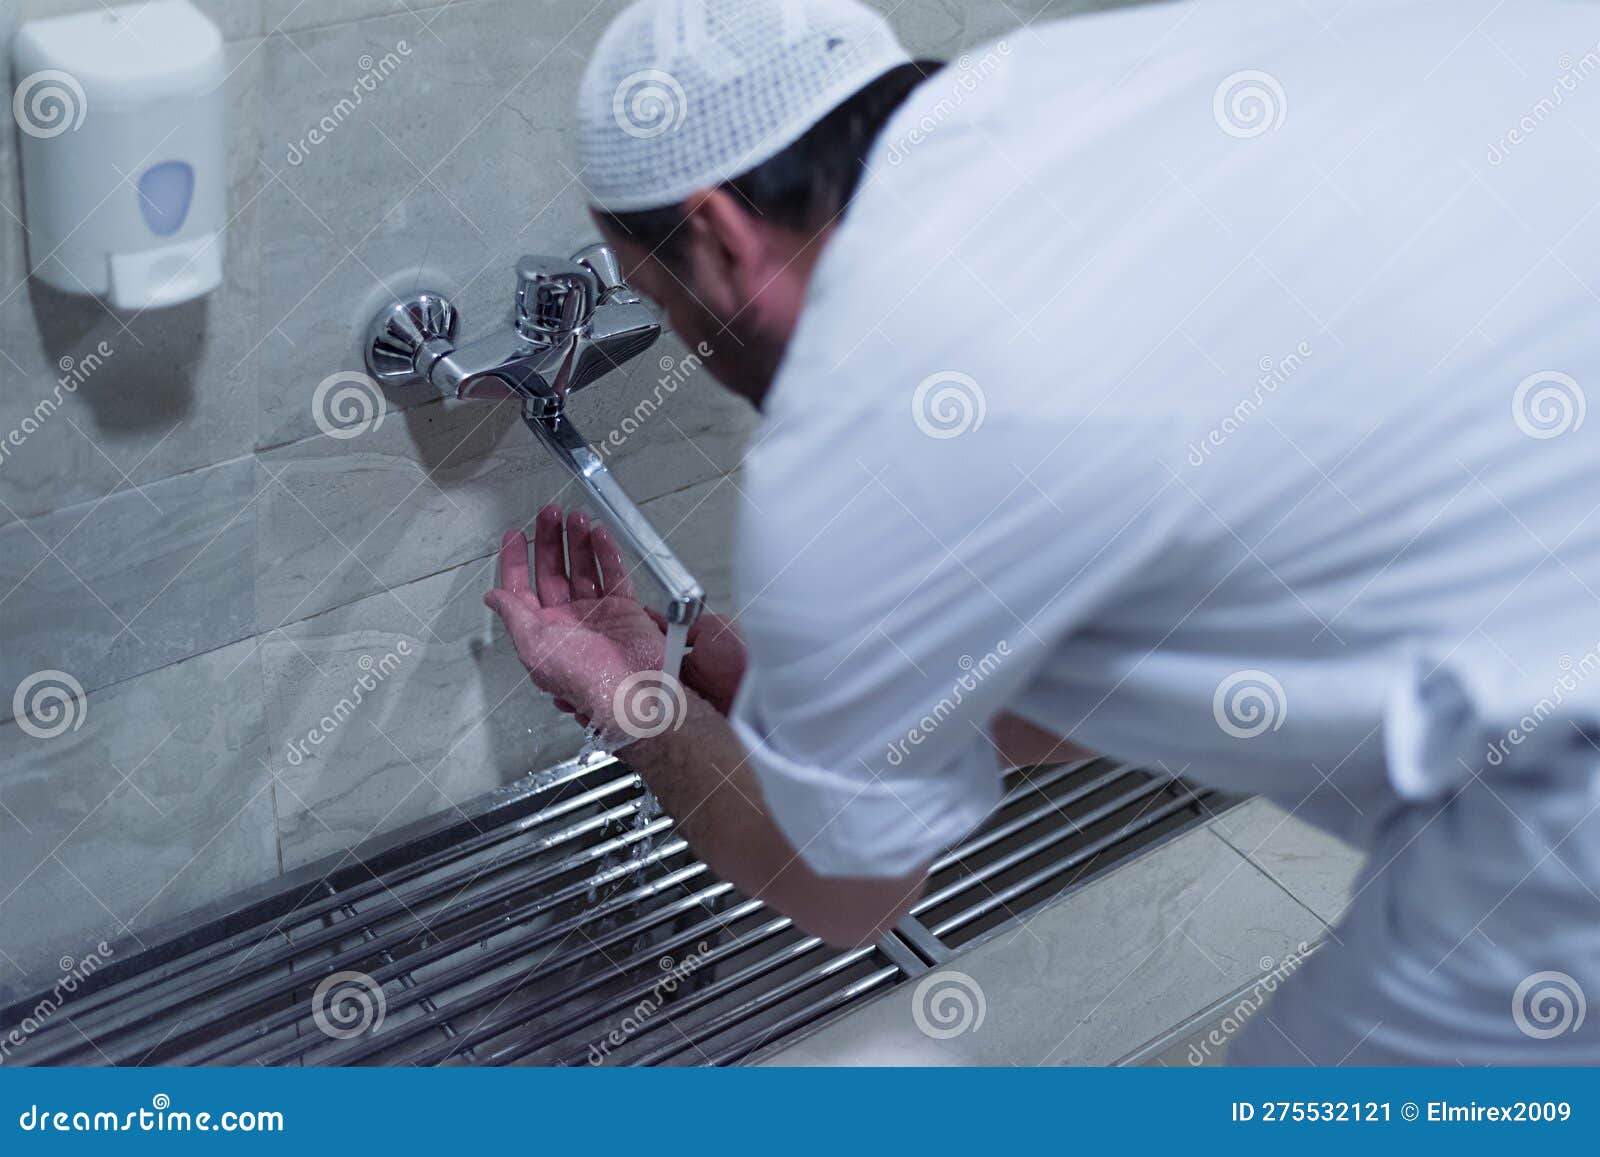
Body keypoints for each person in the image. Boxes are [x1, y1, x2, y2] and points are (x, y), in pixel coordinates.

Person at [483, 0, 1600, 1064]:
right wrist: (884, 702)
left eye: (668, 310)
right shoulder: (1109, 89)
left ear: (721, 235)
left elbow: (837, 886)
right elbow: (1177, 588)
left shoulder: (868, 417)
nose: (690, 343)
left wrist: (627, 692)